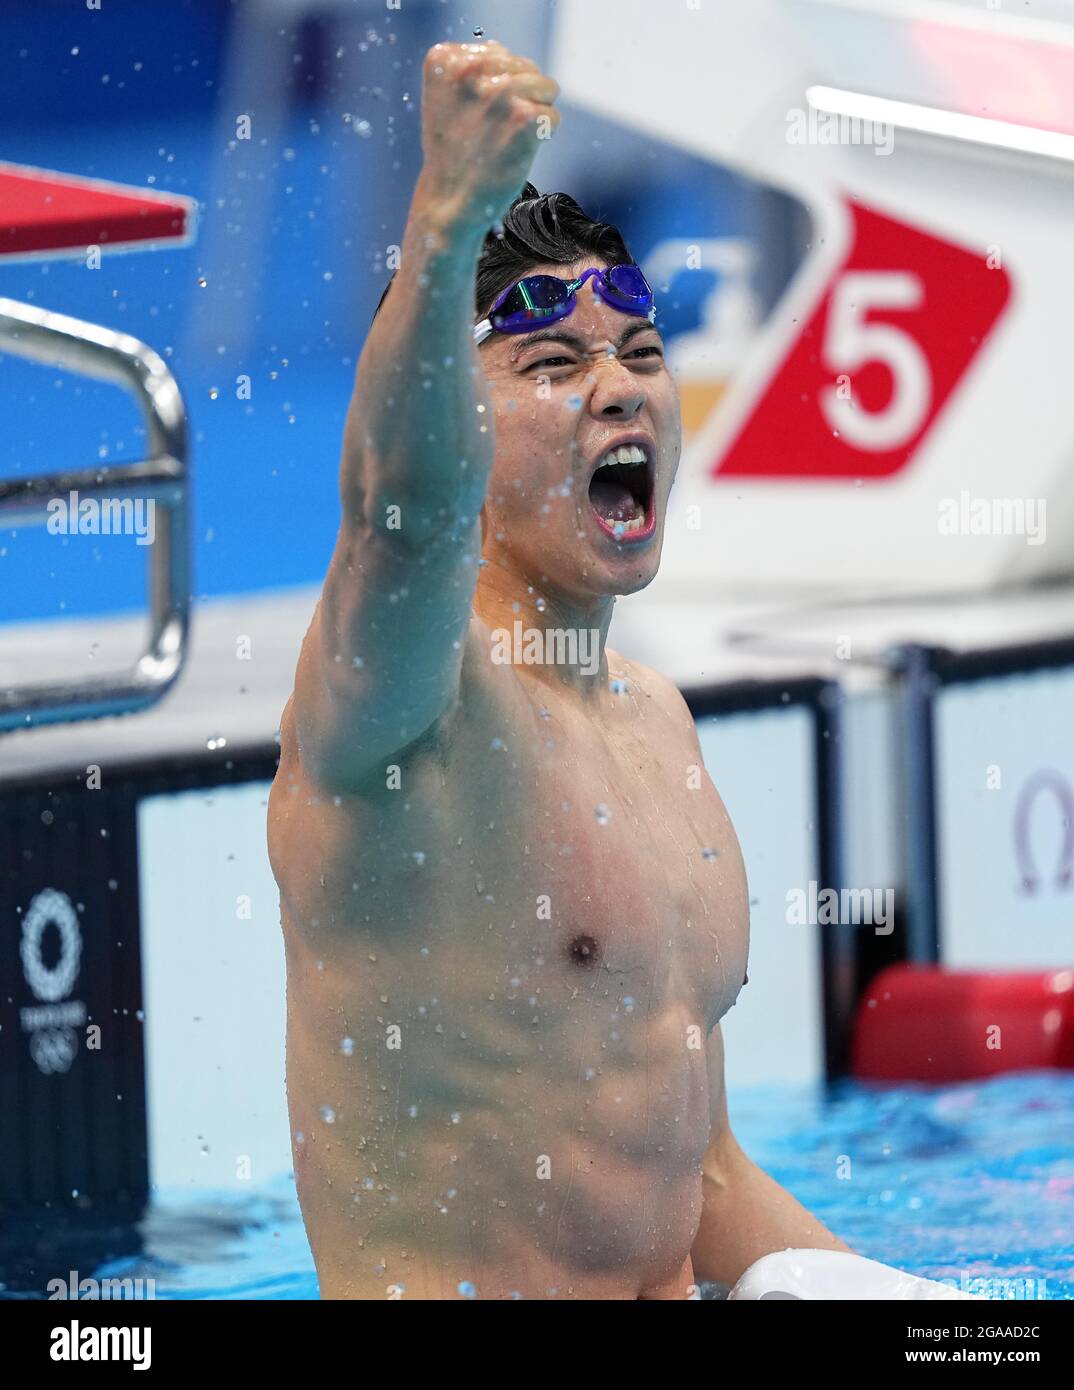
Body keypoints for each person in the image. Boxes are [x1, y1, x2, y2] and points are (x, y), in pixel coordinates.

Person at [267, 37, 852, 1300]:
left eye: (642, 355)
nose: (619, 390)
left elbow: (701, 1175)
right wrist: (444, 220)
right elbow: (395, 518)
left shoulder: (656, 724)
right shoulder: (404, 714)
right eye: (551, 365)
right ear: (455, 422)